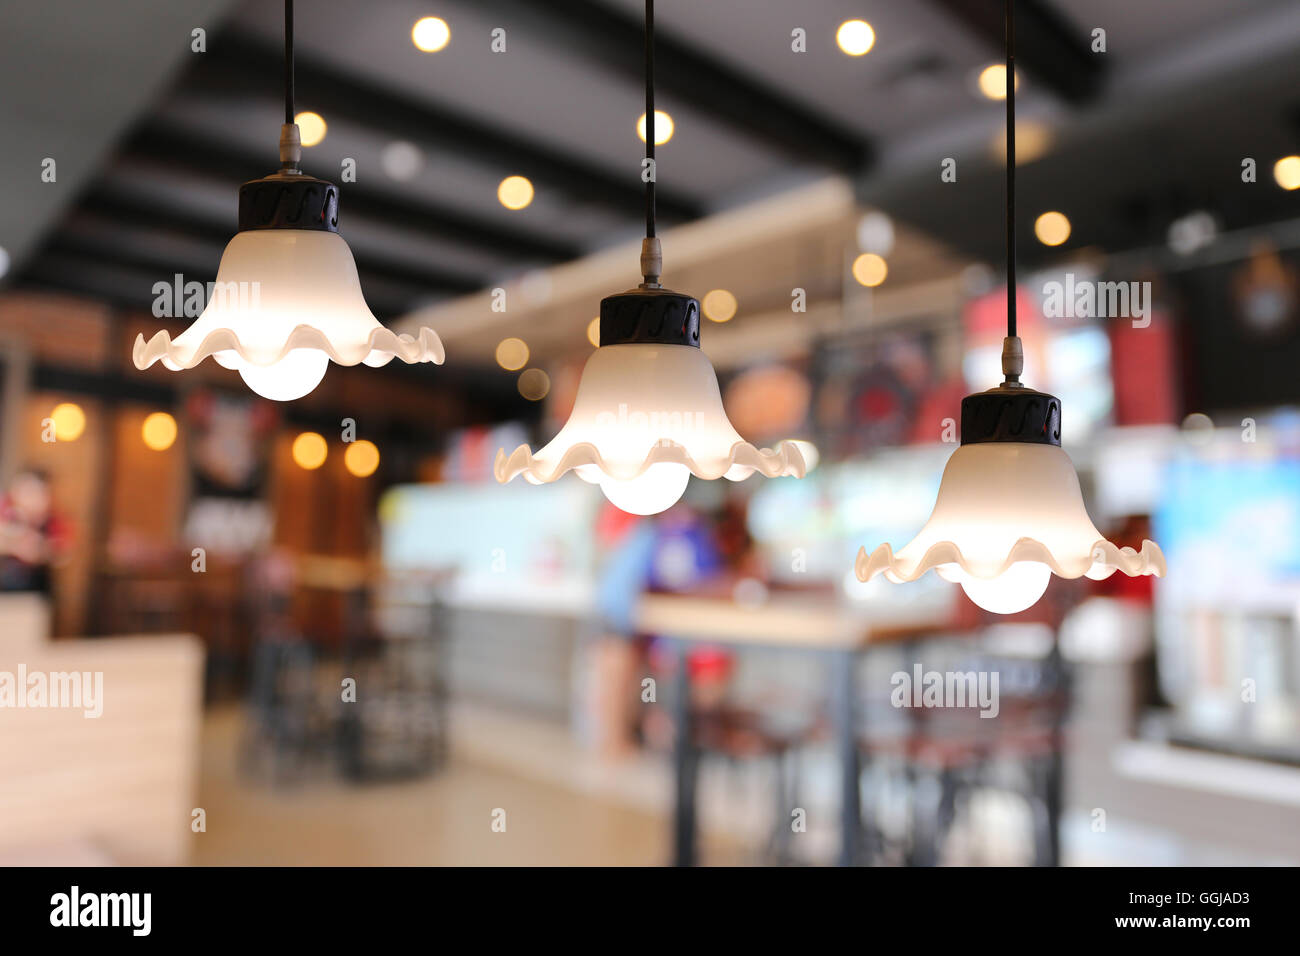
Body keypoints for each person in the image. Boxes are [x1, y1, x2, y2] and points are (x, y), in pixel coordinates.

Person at [0, 467, 70, 596]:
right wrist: (13, 546)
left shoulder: (54, 521)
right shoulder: (6, 511)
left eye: (37, 493)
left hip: (36, 589)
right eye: (26, 491)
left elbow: (63, 556)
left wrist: (42, 551)